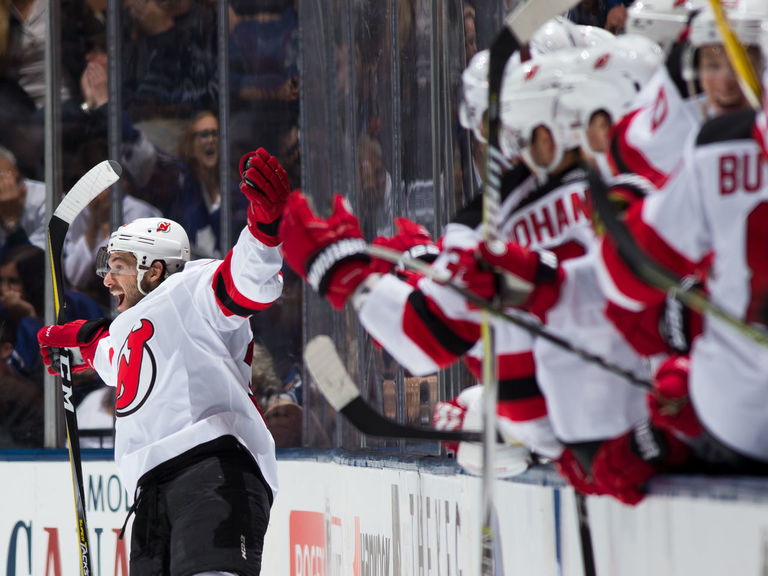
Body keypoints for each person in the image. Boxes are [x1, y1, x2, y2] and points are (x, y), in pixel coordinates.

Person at [37, 147, 290, 574]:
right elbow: (110, 350)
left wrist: (264, 229)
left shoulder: (191, 288)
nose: (107, 277)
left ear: (154, 271)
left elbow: (245, 283)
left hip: (213, 470)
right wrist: (73, 344)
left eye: (118, 265)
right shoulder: (123, 330)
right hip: (151, 490)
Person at [0, 146, 45, 256]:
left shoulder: (45, 199)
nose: (13, 193)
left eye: (19, 181)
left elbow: (31, 267)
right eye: (5, 188)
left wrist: (11, 221)